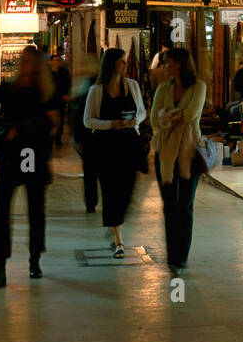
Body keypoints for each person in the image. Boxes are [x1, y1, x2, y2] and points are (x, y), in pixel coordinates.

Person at [0, 46, 59, 287]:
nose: (26, 65)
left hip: (30, 153)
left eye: (30, 61)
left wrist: (23, 129)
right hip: (12, 154)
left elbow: (52, 125)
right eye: (24, 60)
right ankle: (0, 267)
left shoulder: (44, 91)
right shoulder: (11, 89)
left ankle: (34, 260)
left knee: (34, 209)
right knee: (3, 211)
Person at [84, 48, 145, 257]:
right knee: (110, 191)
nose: (125, 65)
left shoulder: (132, 86)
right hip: (106, 146)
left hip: (129, 144)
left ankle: (115, 223)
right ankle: (118, 239)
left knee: (127, 190)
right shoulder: (97, 91)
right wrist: (112, 124)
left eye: (125, 61)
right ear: (111, 64)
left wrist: (135, 121)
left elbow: (142, 111)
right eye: (121, 61)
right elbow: (88, 120)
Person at [151, 47, 207, 275]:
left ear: (180, 64)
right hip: (164, 154)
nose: (165, 66)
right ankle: (172, 256)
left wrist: (168, 115)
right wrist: (171, 116)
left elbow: (190, 114)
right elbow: (154, 117)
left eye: (168, 62)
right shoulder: (164, 88)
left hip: (189, 154)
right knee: (169, 207)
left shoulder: (198, 87)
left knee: (185, 205)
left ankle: (180, 256)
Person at [71, 53, 100, 213]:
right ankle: (93, 202)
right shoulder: (93, 84)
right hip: (97, 134)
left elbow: (79, 114)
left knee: (90, 172)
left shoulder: (87, 85)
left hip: (89, 135)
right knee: (95, 171)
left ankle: (91, 203)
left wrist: (78, 138)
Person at [50, 53, 71, 145]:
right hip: (51, 99)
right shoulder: (49, 73)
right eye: (55, 60)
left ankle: (58, 137)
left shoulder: (64, 72)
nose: (56, 62)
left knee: (61, 118)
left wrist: (66, 94)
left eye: (58, 60)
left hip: (61, 98)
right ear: (51, 62)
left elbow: (68, 84)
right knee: (51, 118)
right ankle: (51, 136)